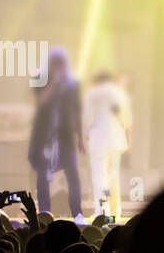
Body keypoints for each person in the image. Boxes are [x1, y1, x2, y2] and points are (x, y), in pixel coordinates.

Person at [28, 47, 85, 219]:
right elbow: (38, 101)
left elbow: (77, 111)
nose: (59, 67)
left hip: (66, 136)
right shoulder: (39, 78)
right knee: (43, 175)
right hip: (44, 136)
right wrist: (52, 84)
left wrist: (81, 137)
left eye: (62, 64)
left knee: (73, 175)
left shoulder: (73, 83)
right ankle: (45, 213)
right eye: (55, 64)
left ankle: (77, 212)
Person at [83, 69, 132, 219]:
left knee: (100, 176)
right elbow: (125, 117)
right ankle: (115, 211)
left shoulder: (92, 94)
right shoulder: (119, 93)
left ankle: (101, 211)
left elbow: (87, 117)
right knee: (113, 176)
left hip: (99, 139)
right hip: (116, 137)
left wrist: (85, 134)